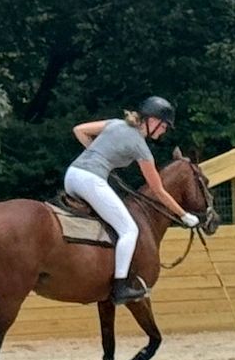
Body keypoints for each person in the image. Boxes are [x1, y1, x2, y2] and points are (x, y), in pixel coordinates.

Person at [65, 95, 195, 305]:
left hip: (71, 176)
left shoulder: (115, 124)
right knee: (129, 230)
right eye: (164, 126)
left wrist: (98, 155)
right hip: (90, 180)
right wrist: (184, 215)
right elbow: (158, 190)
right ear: (152, 121)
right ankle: (120, 286)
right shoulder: (140, 147)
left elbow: (79, 130)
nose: (164, 131)